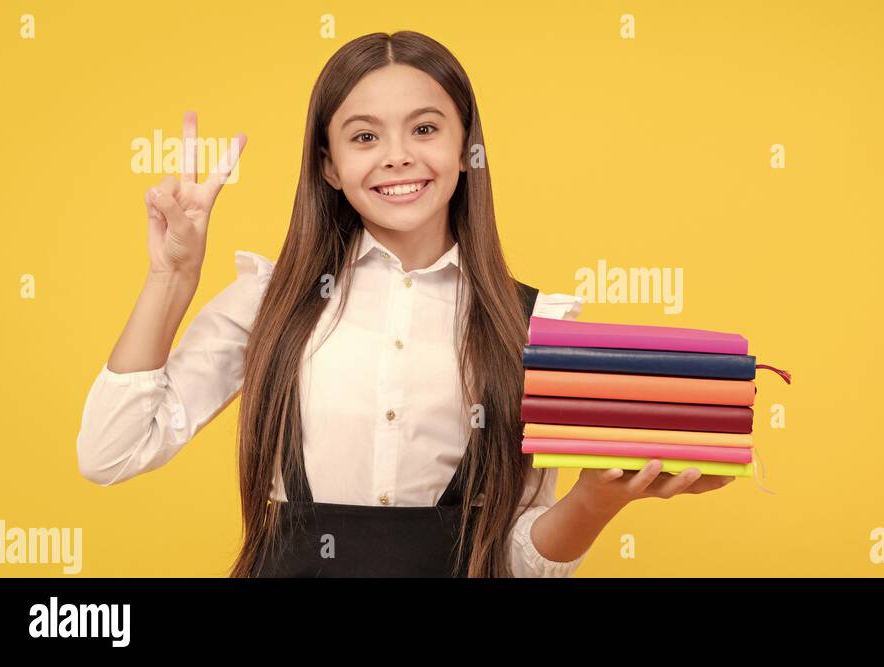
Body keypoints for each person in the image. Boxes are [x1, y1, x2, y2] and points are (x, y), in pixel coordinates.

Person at [76, 31, 733, 578]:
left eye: (424, 127)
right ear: (328, 164)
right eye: (364, 137)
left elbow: (520, 559)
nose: (398, 156)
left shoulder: (535, 324)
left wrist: (595, 499)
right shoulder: (269, 299)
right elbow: (110, 451)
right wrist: (171, 278)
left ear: (465, 148)